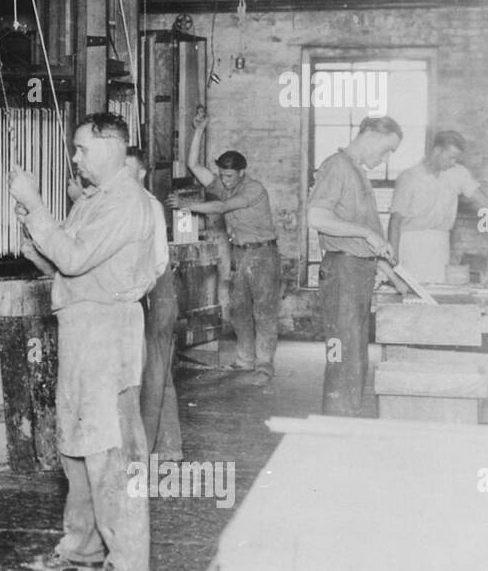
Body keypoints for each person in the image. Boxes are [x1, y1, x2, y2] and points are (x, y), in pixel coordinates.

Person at [11, 113, 156, 571]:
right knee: (77, 446)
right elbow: (65, 262)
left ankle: (129, 567)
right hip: (79, 329)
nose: (74, 159)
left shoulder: (127, 203)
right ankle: (81, 548)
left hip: (107, 334)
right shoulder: (94, 202)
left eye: (81, 149)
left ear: (113, 147)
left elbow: (74, 260)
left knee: (111, 453)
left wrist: (36, 204)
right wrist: (35, 241)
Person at [168, 109, 279, 386]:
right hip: (240, 254)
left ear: (242, 173)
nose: (224, 180)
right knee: (240, 309)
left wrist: (187, 205)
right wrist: (199, 130)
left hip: (263, 254)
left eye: (229, 176)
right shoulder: (226, 185)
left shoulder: (254, 189)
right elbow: (194, 164)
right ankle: (245, 361)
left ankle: (265, 366)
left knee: (263, 311)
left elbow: (221, 207)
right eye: (222, 175)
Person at [306, 115, 403, 417]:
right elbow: (316, 218)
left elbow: (364, 243)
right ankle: (337, 424)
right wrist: (368, 233)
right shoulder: (337, 166)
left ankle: (347, 419)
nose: (386, 158)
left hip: (356, 273)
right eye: (386, 149)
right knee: (343, 354)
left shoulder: (356, 172)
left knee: (354, 354)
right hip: (343, 275)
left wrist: (392, 276)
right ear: (371, 136)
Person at [389, 130, 488, 284]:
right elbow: (395, 222)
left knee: (438, 295)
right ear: (437, 150)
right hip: (410, 244)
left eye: (456, 159)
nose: (453, 162)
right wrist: (394, 261)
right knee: (410, 296)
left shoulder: (458, 173)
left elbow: (482, 199)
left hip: (440, 244)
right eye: (451, 157)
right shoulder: (408, 177)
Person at [126, 147, 182, 462]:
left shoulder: (147, 204)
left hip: (155, 291)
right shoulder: (130, 203)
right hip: (149, 289)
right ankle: (170, 445)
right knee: (160, 369)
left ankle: (143, 450)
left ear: (143, 173)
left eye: (129, 170)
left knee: (150, 370)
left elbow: (157, 262)